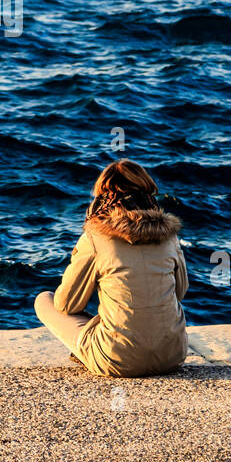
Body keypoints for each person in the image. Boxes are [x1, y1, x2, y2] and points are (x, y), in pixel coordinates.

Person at [35, 158, 189, 377]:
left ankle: (93, 350)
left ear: (103, 196)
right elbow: (180, 293)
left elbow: (67, 304)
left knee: (44, 300)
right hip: (172, 356)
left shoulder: (96, 236)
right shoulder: (169, 236)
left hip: (118, 360)